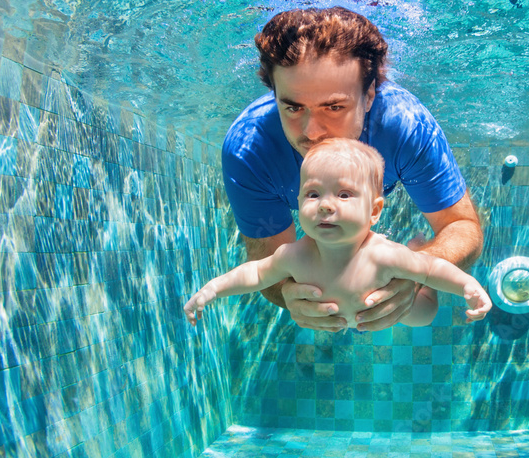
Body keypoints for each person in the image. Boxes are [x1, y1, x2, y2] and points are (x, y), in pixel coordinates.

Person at [222, 6, 483, 332]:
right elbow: (266, 266)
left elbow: (461, 226)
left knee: (420, 313)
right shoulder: (249, 150)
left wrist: (414, 274)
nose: (312, 130)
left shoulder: (402, 125)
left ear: (370, 94)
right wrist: (290, 295)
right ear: (274, 95)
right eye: (292, 107)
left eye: (334, 107)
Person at [186, 139, 491, 327]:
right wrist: (213, 289)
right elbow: (255, 274)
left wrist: (468, 286)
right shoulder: (295, 255)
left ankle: (420, 260)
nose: (325, 206)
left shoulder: (383, 254)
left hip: (398, 311)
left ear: (374, 211)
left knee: (421, 315)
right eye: (313, 194)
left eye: (344, 195)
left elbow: (432, 268)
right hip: (348, 320)